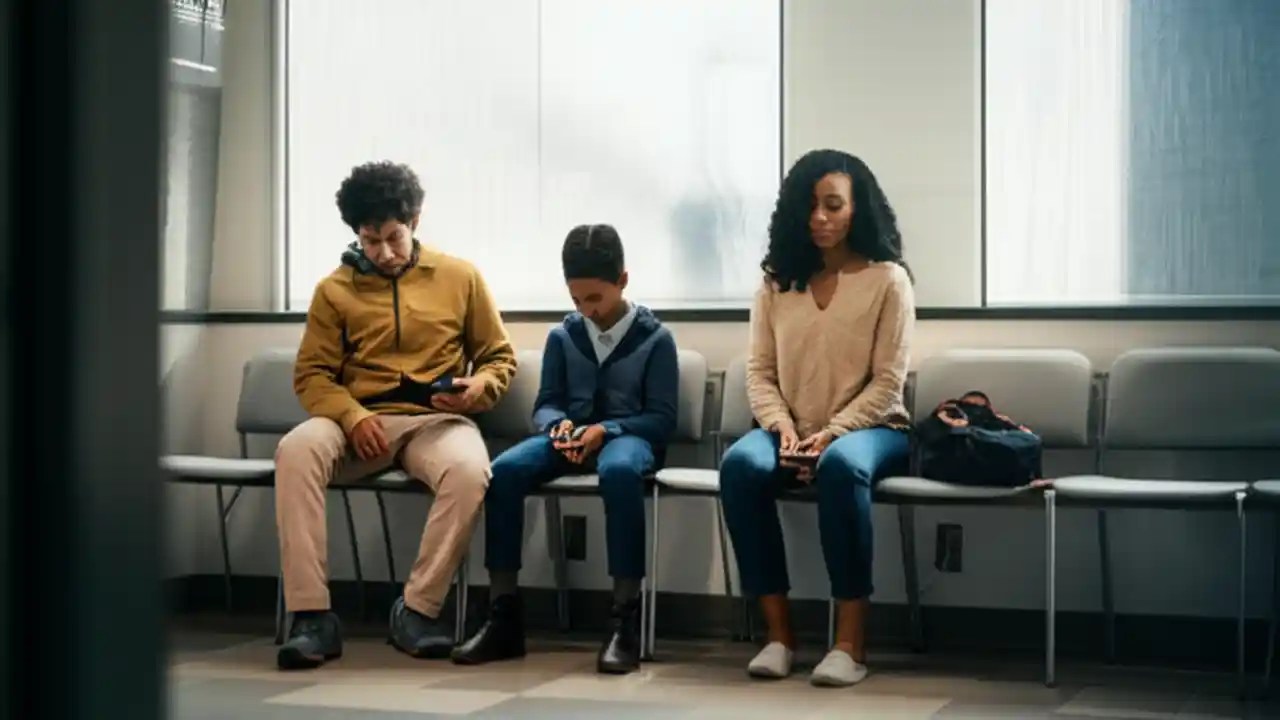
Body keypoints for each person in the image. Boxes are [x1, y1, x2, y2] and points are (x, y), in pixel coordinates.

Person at [274, 161, 517, 670]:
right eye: (370, 240)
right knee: (295, 450)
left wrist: (478, 388)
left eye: (394, 237)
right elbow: (312, 376)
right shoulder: (333, 291)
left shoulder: (461, 276)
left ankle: (417, 609)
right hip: (357, 421)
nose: (384, 253)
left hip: (437, 421)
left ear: (416, 222)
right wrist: (352, 415)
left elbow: (499, 356)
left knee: (471, 470)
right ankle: (312, 616)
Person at [718, 149, 915, 687]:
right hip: (789, 428)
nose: (821, 218)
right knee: (739, 467)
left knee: (841, 468)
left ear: (858, 209)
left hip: (874, 431)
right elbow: (759, 373)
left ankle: (850, 645)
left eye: (834, 205)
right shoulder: (776, 284)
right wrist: (782, 429)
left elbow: (888, 381)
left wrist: (832, 434)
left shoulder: (888, 280)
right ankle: (779, 637)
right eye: (811, 207)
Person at [451, 224, 678, 674]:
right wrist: (558, 427)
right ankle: (503, 615)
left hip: (627, 440)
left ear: (623, 282)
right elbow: (546, 404)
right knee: (505, 471)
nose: (586, 310)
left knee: (619, 472)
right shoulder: (563, 337)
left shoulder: (656, 340)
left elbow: (661, 420)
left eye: (595, 299)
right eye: (576, 301)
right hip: (568, 439)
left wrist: (606, 430)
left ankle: (623, 620)